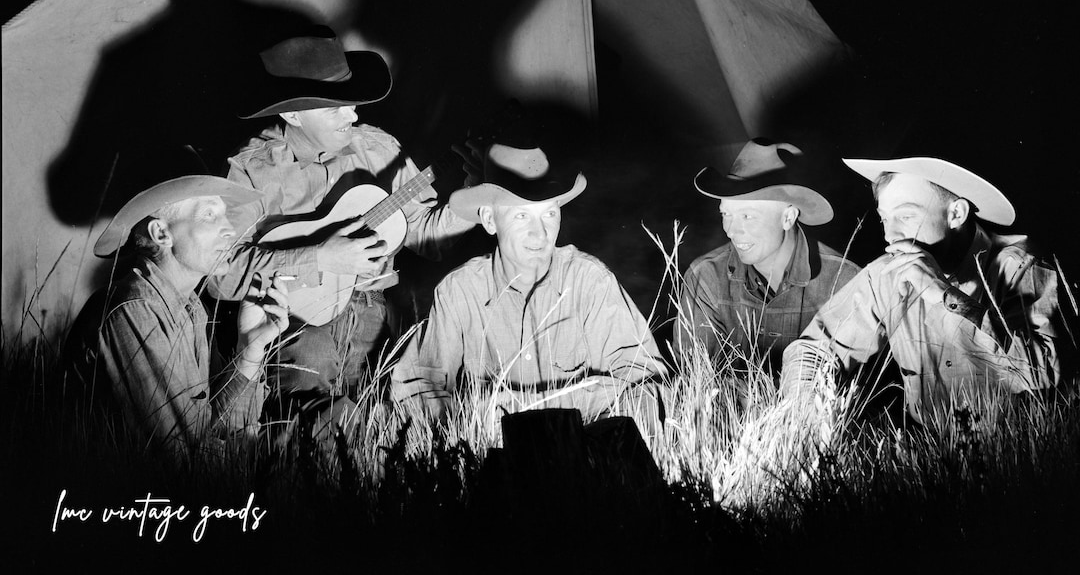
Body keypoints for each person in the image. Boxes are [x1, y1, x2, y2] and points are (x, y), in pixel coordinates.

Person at [206, 24, 479, 417]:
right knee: (305, 440)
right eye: (335, 106)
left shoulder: (376, 148)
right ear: (294, 114)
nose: (353, 113)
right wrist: (320, 257)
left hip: (373, 318)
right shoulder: (251, 170)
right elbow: (221, 274)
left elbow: (426, 234)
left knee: (375, 434)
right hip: (294, 326)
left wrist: (477, 195)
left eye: (350, 102)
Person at [390, 136, 670, 432]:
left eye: (549, 213)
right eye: (522, 215)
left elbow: (647, 386)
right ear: (489, 219)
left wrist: (513, 412)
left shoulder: (590, 281)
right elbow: (414, 388)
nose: (540, 234)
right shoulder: (460, 291)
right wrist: (469, 422)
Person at [780, 155, 1077, 423]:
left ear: (956, 214)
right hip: (932, 462)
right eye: (885, 218)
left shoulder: (1022, 266)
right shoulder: (889, 273)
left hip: (1020, 465)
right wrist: (805, 414)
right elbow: (813, 350)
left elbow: (1042, 372)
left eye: (906, 216)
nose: (889, 235)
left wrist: (941, 295)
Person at [66, 174, 289, 458]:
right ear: (161, 233)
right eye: (209, 215)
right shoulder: (135, 309)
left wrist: (249, 350)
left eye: (225, 216)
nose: (231, 230)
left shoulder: (192, 307)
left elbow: (209, 429)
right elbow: (181, 459)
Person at [676, 139, 859, 377]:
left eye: (747, 216)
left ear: (788, 217)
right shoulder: (706, 277)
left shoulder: (845, 281)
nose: (731, 230)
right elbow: (698, 382)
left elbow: (858, 391)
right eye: (726, 214)